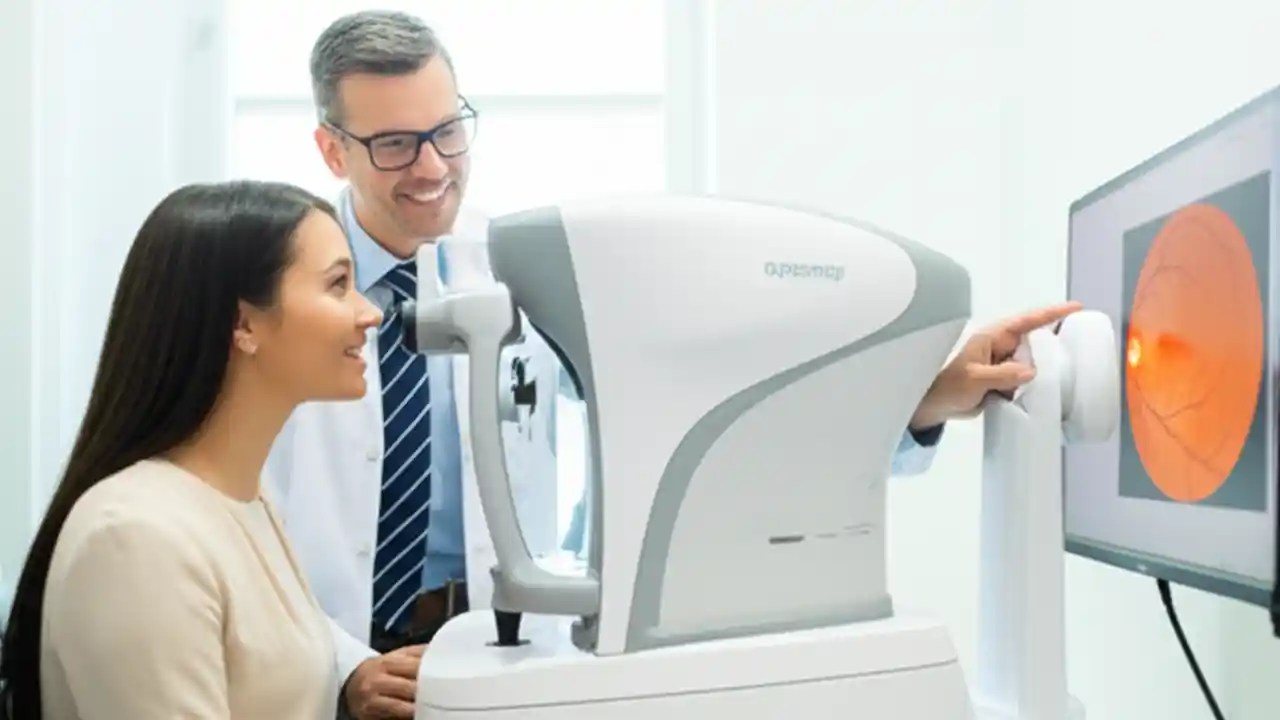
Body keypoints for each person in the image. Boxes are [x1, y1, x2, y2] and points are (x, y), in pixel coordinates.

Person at [265, 10, 1083, 720]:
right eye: (398, 144)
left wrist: (918, 397)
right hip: (334, 655)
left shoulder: (521, 268)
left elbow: (711, 411)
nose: (435, 167)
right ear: (332, 151)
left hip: (499, 658)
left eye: (449, 131)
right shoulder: (274, 289)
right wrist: (345, 668)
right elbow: (236, 516)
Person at [0, 180, 383, 719]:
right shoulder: (135, 537)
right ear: (243, 322)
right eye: (338, 285)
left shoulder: (246, 499)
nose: (370, 313)